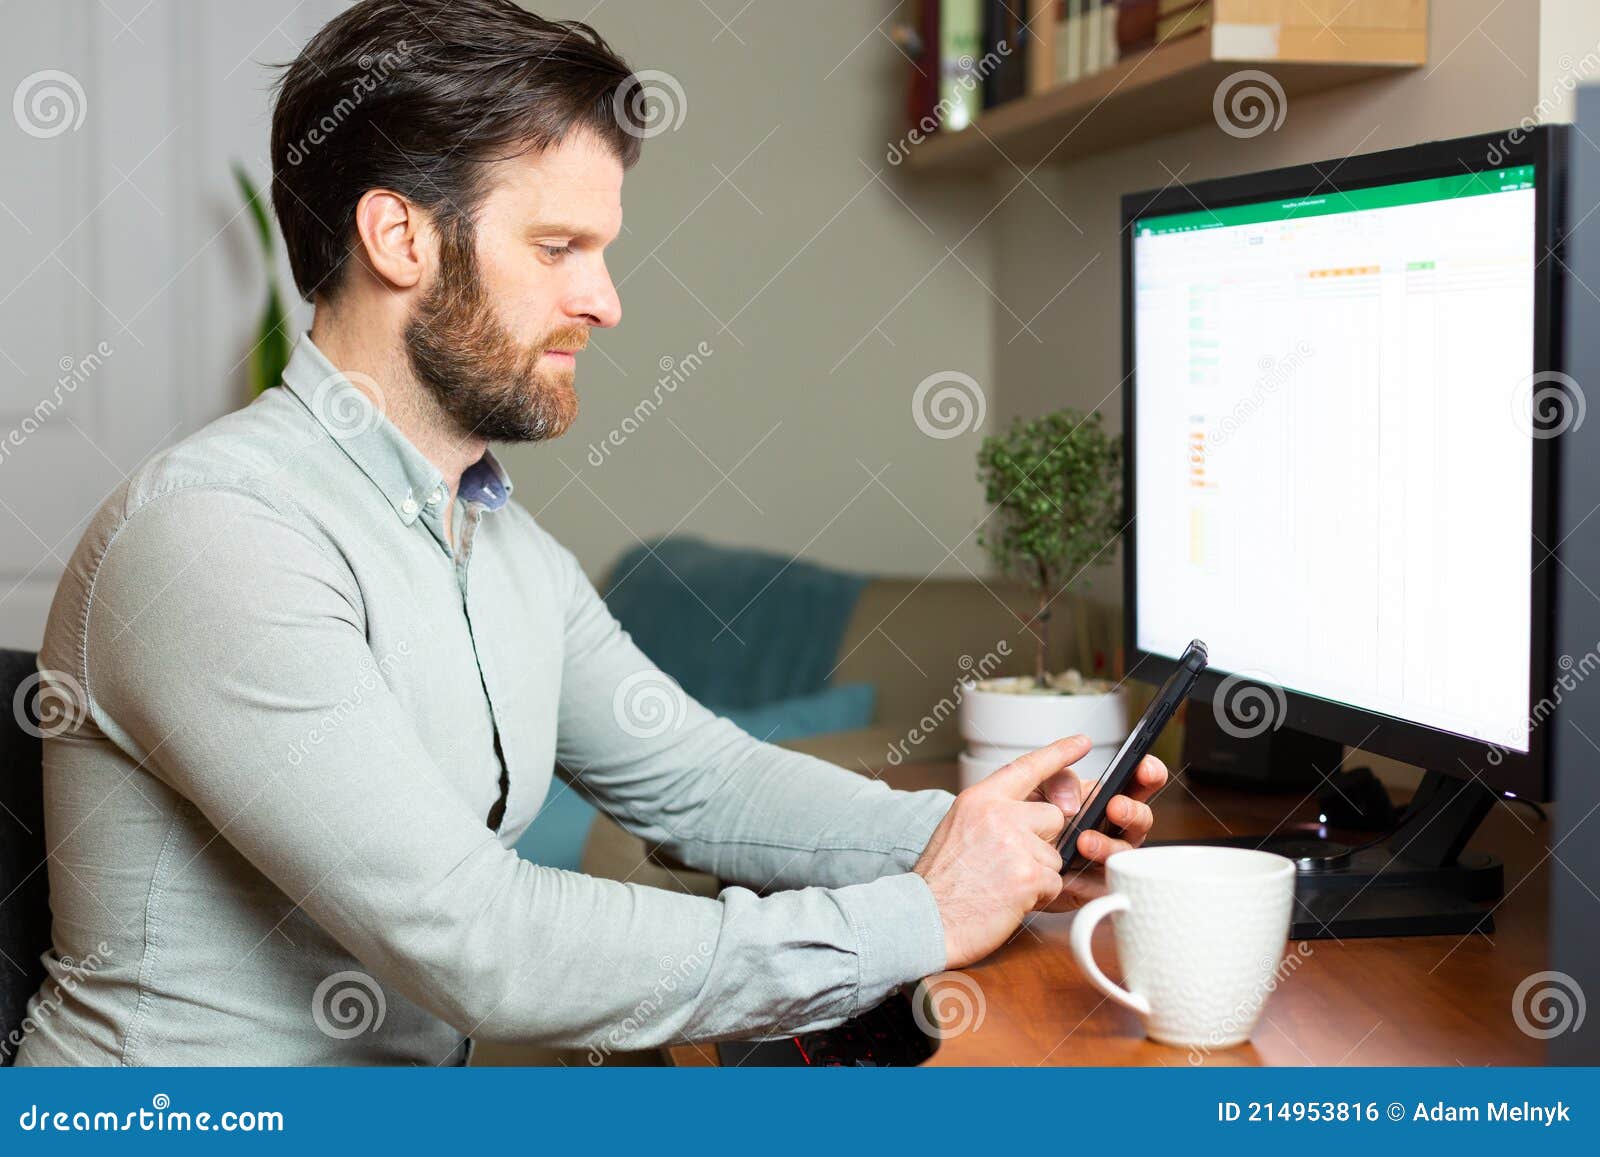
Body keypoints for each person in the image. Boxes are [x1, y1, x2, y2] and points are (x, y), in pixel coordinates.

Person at [16, 0, 1165, 1066]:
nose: (606, 301)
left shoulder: (500, 545)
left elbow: (698, 782)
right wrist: (918, 911)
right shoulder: (218, 535)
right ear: (399, 239)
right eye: (559, 248)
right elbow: (478, 939)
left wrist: (984, 836)